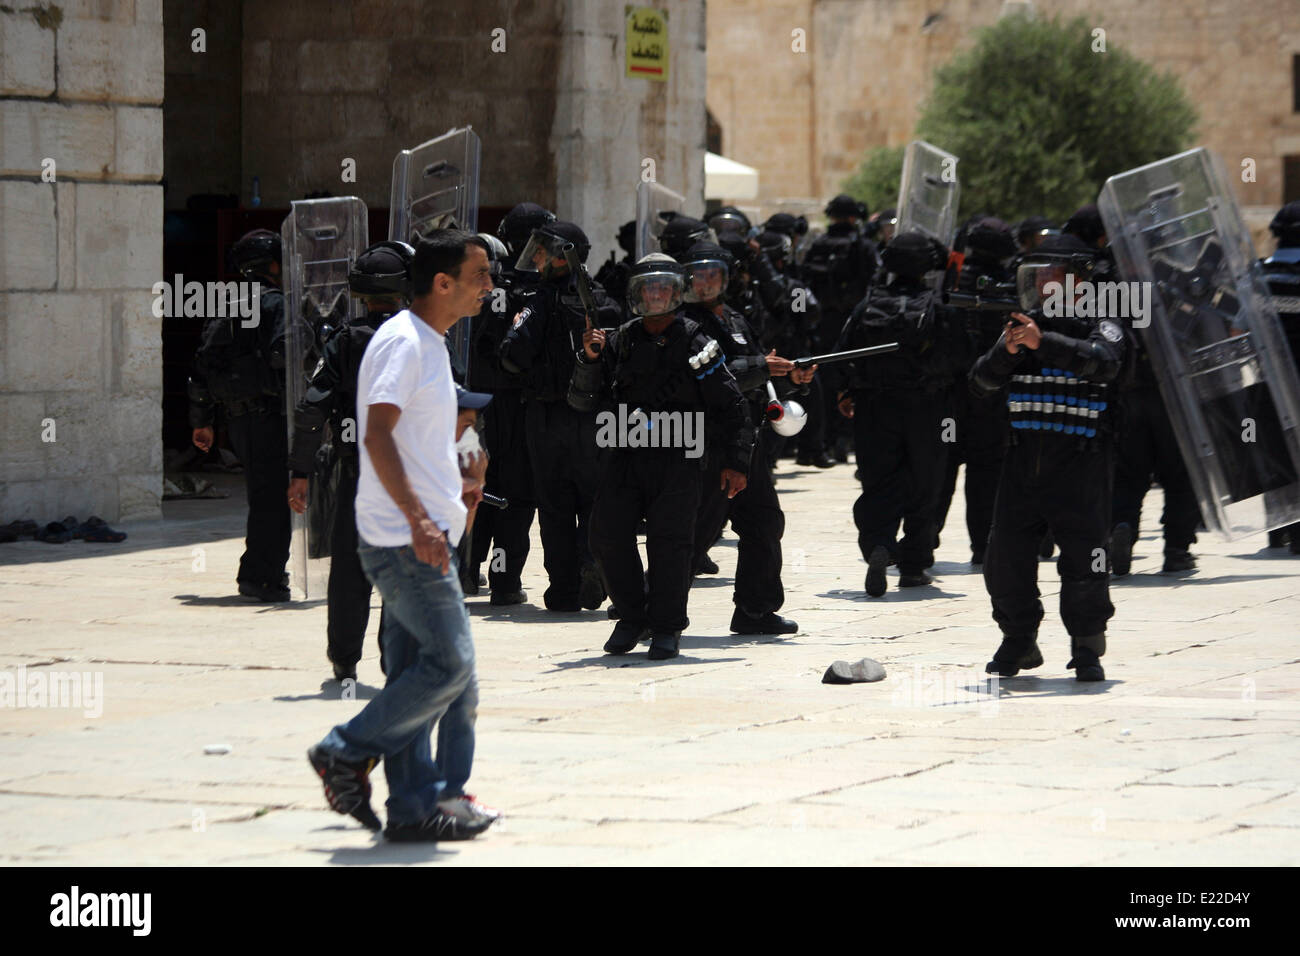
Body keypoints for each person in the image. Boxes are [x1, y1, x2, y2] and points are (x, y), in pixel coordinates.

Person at [307, 230, 501, 843]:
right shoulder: (403, 343)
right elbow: (378, 436)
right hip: (403, 539)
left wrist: (463, 474)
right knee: (450, 665)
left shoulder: (432, 344)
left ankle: (417, 806)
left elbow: (421, 438)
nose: (489, 287)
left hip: (426, 534)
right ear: (442, 283)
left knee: (429, 674)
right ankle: (344, 747)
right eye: (480, 275)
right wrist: (419, 520)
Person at [569, 254, 755, 660]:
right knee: (606, 534)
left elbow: (732, 406)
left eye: (663, 288)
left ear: (676, 292)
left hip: (679, 459)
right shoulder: (619, 340)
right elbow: (582, 400)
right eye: (648, 288)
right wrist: (591, 359)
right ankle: (633, 616)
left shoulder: (697, 342)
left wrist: (737, 462)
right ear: (637, 294)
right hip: (625, 455)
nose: (655, 295)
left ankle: (667, 626)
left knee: (670, 544)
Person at [970, 234, 1129, 682]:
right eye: (1036, 272)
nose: (1041, 280)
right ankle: (1018, 640)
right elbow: (979, 383)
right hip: (1023, 463)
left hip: (1080, 463)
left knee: (1085, 560)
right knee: (1004, 560)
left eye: (1051, 272)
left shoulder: (1105, 318)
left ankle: (1086, 647)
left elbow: (1105, 362)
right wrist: (1008, 352)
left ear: (1077, 279)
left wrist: (1047, 344)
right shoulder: (1024, 325)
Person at [287, 240, 414, 681]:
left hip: (357, 474)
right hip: (407, 476)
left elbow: (311, 410)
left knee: (350, 568)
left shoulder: (344, 341)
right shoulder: (420, 339)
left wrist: (299, 473)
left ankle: (344, 660)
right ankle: (396, 661)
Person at [680, 241, 811, 634]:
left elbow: (756, 379)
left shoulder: (736, 319)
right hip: (707, 443)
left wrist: (790, 378)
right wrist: (761, 366)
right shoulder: (685, 323)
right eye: (697, 275)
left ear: (726, 278)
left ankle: (756, 610)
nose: (705, 283)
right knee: (696, 530)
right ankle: (651, 606)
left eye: (713, 275)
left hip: (746, 440)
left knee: (763, 523)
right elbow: (709, 374)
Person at [499, 220, 624, 612]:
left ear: (563, 256)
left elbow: (512, 354)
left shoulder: (538, 300)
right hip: (594, 417)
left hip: (547, 416)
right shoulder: (604, 301)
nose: (536, 259)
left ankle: (563, 588)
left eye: (543, 251)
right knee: (594, 500)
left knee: (553, 505)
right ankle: (591, 561)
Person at [833, 231, 965, 596]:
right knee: (926, 483)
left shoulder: (868, 305)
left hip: (874, 407)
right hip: (929, 409)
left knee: (878, 481)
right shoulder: (940, 307)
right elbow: (961, 360)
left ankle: (879, 544)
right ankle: (914, 564)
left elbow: (843, 353)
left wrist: (846, 391)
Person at [188, 229, 291, 602]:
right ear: (273, 265)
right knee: (274, 499)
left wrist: (203, 420)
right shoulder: (276, 304)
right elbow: (285, 356)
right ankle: (261, 575)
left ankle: (263, 570)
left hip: (238, 420)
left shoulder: (225, 303)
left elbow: (202, 365)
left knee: (262, 495)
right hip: (270, 415)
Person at [934, 217, 1018, 564]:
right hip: (991, 389)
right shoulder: (1009, 283)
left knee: (941, 469)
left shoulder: (952, 276)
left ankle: (920, 546)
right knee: (986, 473)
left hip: (949, 392)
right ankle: (983, 546)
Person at [464, 231, 537, 604]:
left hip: (465, 407)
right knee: (513, 494)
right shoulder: (511, 297)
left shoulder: (451, 297)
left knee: (473, 489)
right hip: (509, 407)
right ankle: (505, 581)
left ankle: (466, 571)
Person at [801, 194, 881, 463]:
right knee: (855, 377)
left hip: (823, 322)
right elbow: (876, 284)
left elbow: (805, 283)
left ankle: (824, 440)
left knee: (823, 378)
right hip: (856, 321)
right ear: (853, 217)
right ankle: (849, 439)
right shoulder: (863, 246)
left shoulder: (818, 245)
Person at [1260, 201, 1300, 554]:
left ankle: (1279, 528)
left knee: (1275, 449)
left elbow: (1238, 328)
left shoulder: (1259, 275)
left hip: (1269, 381)